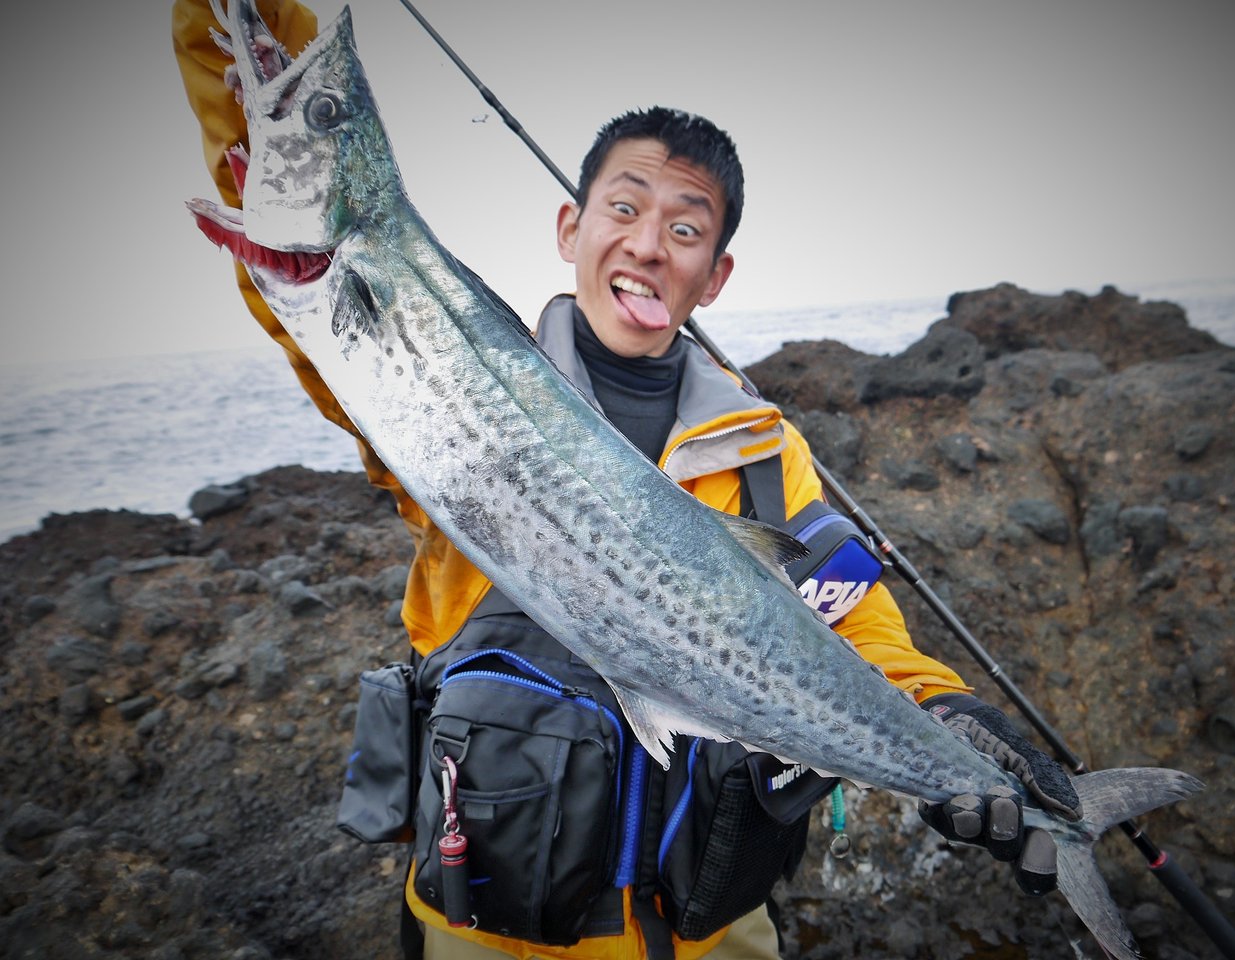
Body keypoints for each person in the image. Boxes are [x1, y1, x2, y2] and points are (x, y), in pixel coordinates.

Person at [173, 2, 1081, 958]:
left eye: (684, 228)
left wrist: (947, 718)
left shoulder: (767, 455)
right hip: (486, 935)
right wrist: (239, 27)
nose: (648, 245)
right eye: (623, 208)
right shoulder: (438, 374)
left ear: (714, 275)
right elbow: (288, 181)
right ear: (571, 226)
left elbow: (849, 619)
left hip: (708, 941)